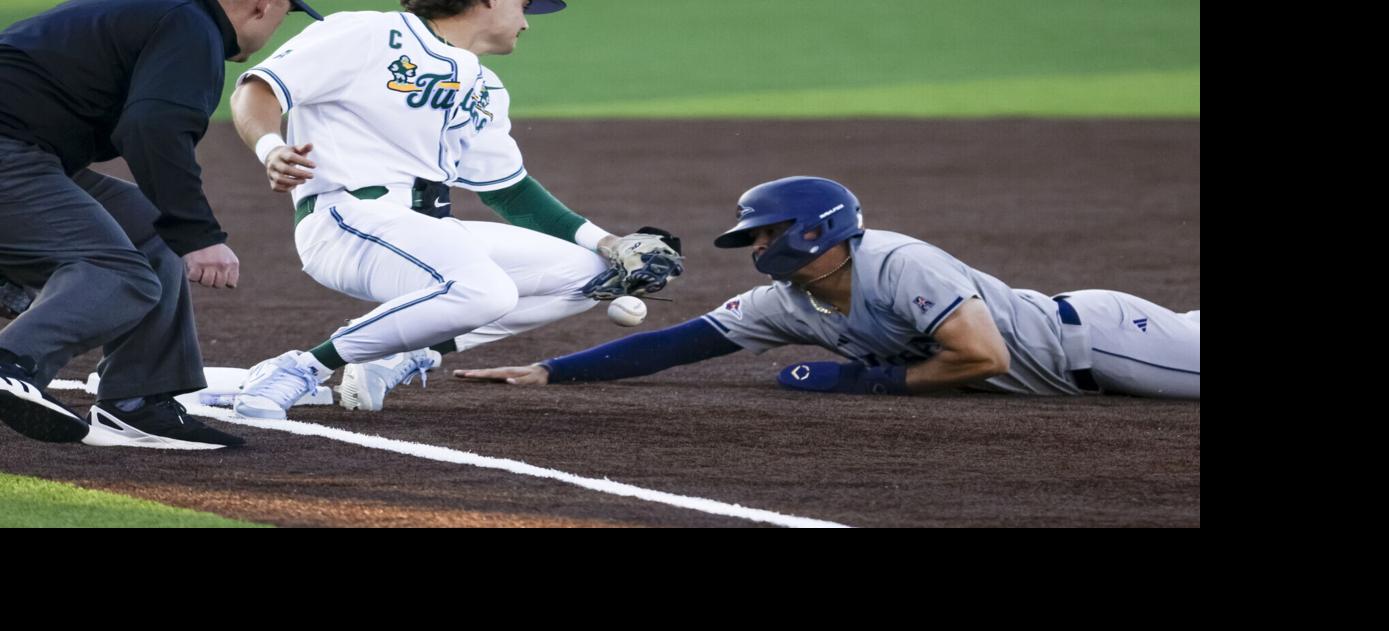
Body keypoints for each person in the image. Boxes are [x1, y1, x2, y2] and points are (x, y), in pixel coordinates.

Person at [224, 0, 682, 420]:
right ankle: (297, 368)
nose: (526, 21)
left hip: (427, 232)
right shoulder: (368, 34)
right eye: (523, 6)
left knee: (593, 272)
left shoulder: (484, 86)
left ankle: (395, 355)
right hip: (346, 221)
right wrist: (271, 148)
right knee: (485, 292)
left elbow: (511, 192)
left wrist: (610, 243)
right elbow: (257, 89)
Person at [454, 176, 1202, 399]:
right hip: (1079, 355)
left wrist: (862, 380)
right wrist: (550, 369)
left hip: (1100, 344)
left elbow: (983, 358)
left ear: (813, 230)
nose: (754, 247)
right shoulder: (790, 302)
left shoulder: (901, 263)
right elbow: (682, 343)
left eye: (763, 234)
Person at [0, 0, 322, 449]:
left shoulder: (165, 13)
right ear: (261, 6)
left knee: (149, 227)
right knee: (120, 273)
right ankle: (11, 362)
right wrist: (200, 237)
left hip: (27, 151)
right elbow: (153, 127)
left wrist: (180, 229)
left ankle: (137, 401)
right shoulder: (191, 25)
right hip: (11, 151)